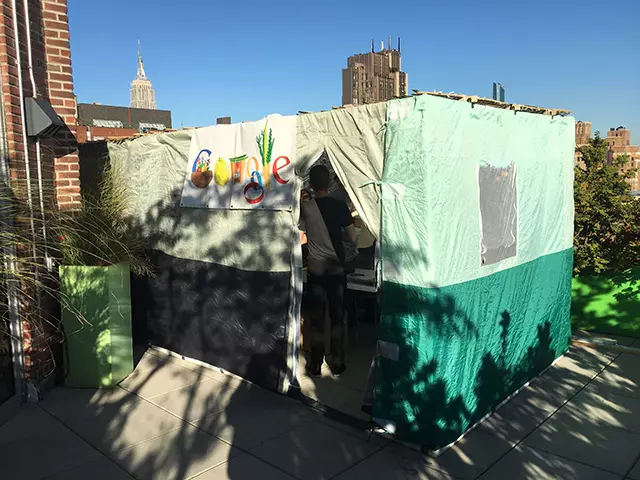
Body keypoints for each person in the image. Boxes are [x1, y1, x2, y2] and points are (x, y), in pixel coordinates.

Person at [299, 165, 357, 377]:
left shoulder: (307, 208)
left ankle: (315, 364)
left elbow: (301, 238)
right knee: (337, 316)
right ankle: (337, 363)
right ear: (329, 183)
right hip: (337, 270)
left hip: (315, 270)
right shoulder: (340, 206)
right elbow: (353, 237)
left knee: (316, 318)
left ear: (311, 185)